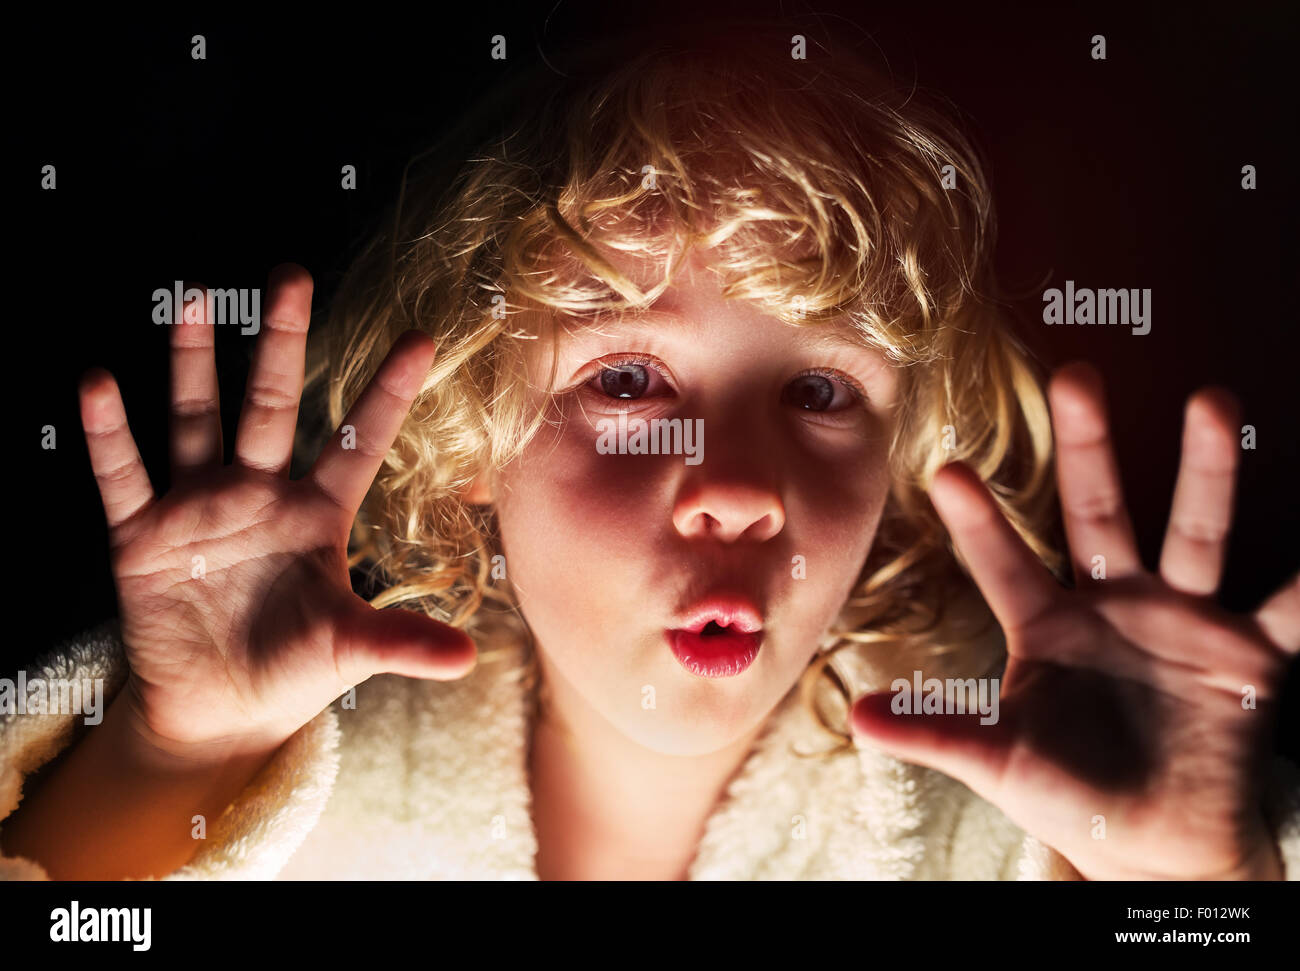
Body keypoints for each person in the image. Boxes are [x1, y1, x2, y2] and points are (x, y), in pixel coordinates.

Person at [3, 25, 1298, 881]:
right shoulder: (313, 785)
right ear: (468, 437)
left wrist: (1189, 889)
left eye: (820, 389)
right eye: (626, 378)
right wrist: (171, 763)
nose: (737, 487)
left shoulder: (1017, 820)